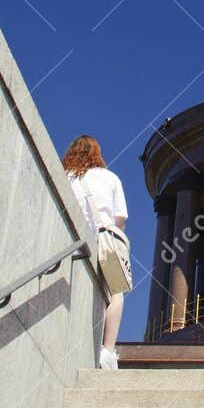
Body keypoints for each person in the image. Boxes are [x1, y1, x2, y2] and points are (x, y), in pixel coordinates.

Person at [62, 136, 129, 370]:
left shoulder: (66, 176)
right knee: (116, 292)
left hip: (73, 239)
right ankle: (107, 350)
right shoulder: (110, 178)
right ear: (97, 154)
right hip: (104, 239)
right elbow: (120, 218)